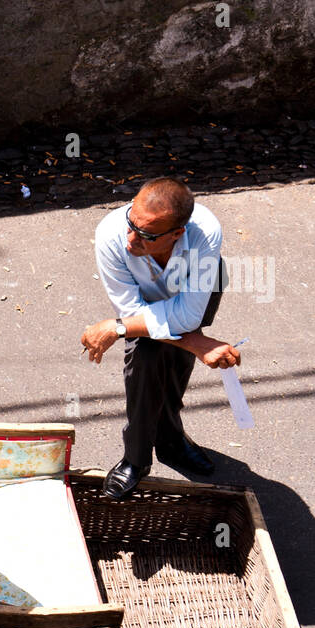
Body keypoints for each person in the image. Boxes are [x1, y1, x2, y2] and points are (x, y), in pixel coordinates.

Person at [80, 177, 242, 500]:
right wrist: (198, 343)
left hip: (195, 291)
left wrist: (116, 328)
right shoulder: (110, 236)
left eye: (146, 236)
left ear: (176, 234)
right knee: (145, 358)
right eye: (131, 224)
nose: (130, 241)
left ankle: (169, 439)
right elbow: (133, 313)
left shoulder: (204, 231)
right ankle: (136, 459)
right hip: (148, 305)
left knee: (178, 362)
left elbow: (187, 316)